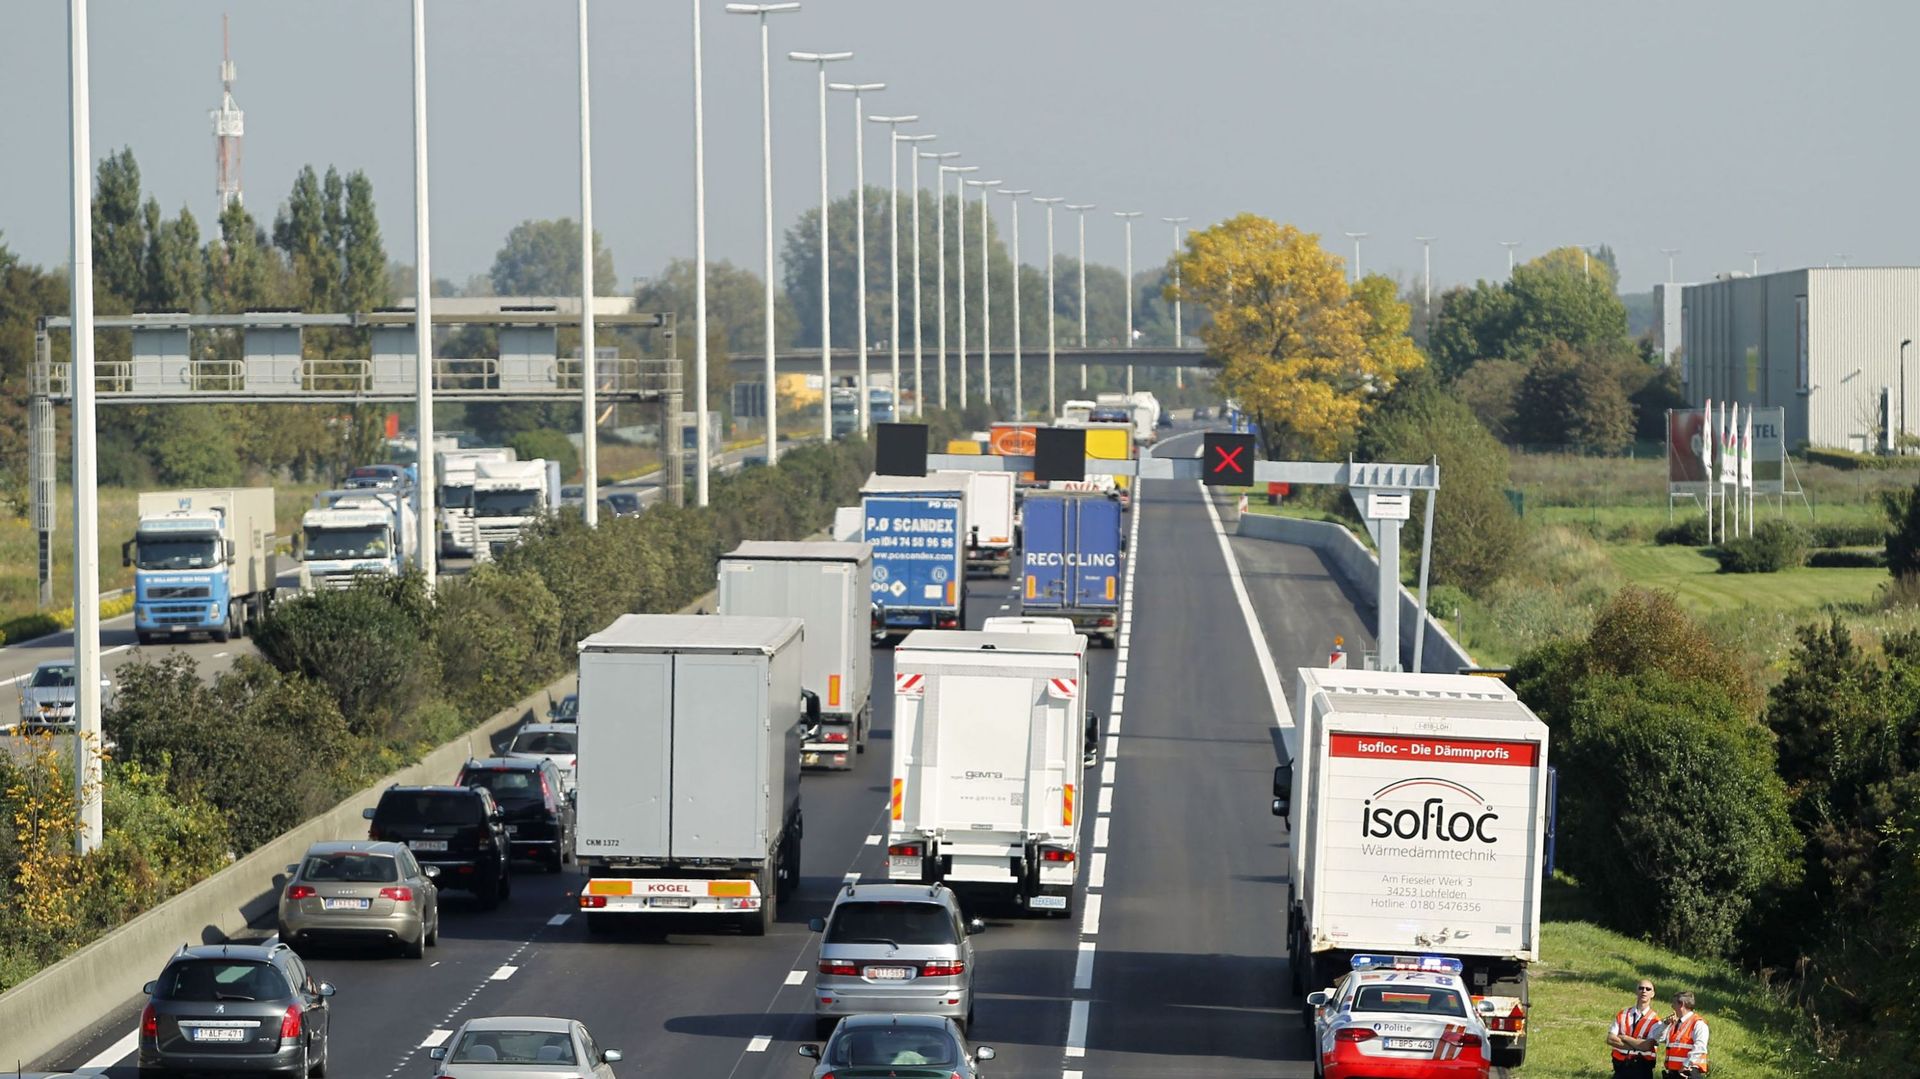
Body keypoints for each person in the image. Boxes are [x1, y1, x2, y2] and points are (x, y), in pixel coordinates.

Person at [1625, 990, 1709, 1078]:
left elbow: (1700, 1048)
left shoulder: (1698, 1024)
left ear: (1681, 1004)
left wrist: (1686, 1065)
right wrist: (1665, 1024)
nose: (1672, 1006)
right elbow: (1658, 1038)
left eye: (1674, 1003)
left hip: (1688, 1072)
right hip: (1673, 1072)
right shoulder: (1673, 1023)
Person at [1605, 977, 1661, 1079]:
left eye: (1648, 989)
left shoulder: (1656, 1020)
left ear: (1653, 994)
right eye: (1641, 988)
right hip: (1620, 1066)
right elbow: (1610, 1039)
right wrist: (1637, 1045)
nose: (1644, 991)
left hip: (1642, 1068)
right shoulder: (1623, 1014)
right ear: (1636, 991)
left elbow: (1647, 1046)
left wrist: (1625, 1038)